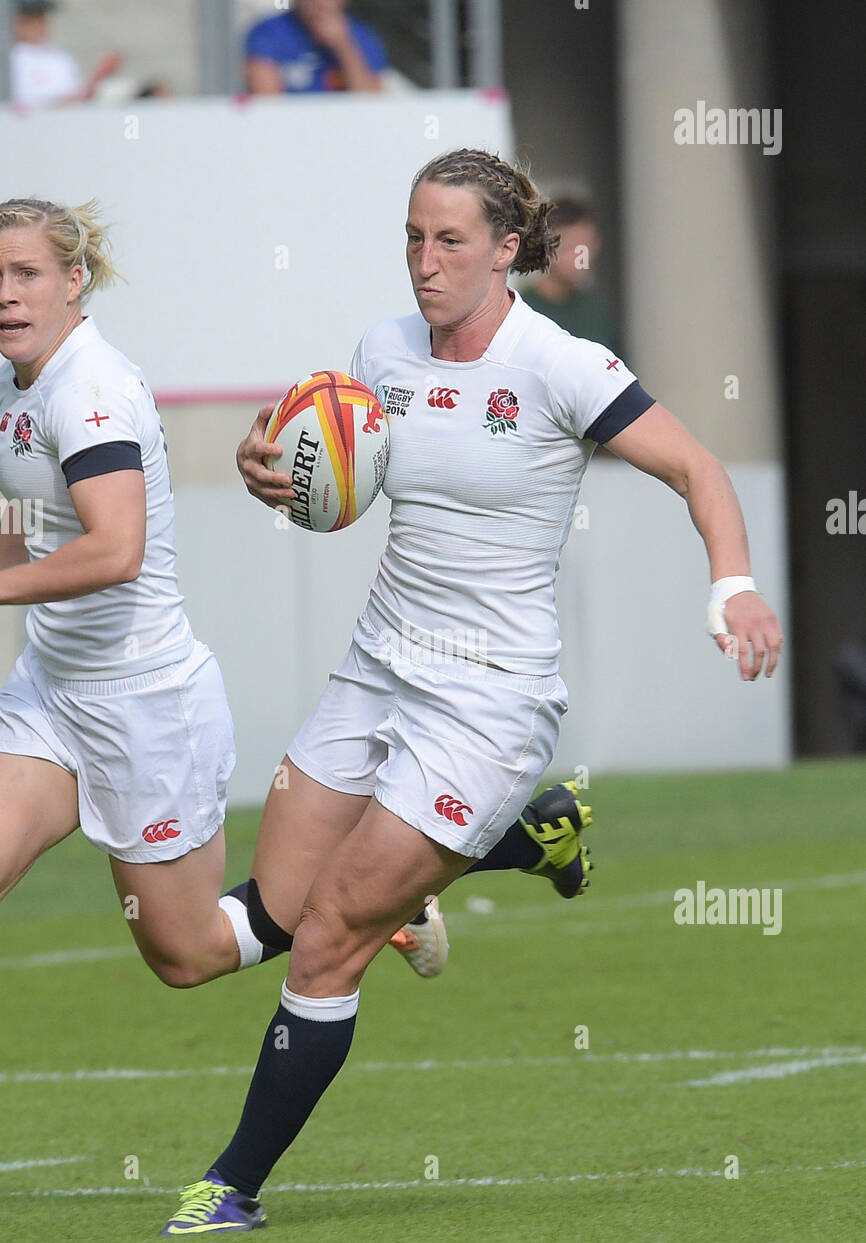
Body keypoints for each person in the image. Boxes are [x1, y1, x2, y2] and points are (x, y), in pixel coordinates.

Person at [160, 147, 783, 1234]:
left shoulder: (559, 366)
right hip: (375, 666)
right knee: (276, 906)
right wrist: (282, 478)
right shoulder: (381, 349)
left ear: (506, 250)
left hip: (488, 700)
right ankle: (529, 839)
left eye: (450, 240)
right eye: (411, 235)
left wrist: (730, 584)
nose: (424, 261)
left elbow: (698, 468)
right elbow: (339, 481)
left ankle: (232, 1184)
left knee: (334, 932)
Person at [0, 196, 585, 997]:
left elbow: (115, 549)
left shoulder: (87, 392)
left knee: (191, 954)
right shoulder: (15, 390)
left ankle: (468, 862)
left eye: (24, 273)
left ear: (73, 281)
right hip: (49, 693)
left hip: (143, 705)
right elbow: (21, 538)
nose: (6, 291)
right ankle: (395, 892)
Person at [522, 195, 623, 359]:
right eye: (568, 248)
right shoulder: (523, 311)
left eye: (585, 246)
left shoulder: (596, 309)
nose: (579, 258)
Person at [244, 0, 387, 95]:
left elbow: (370, 102)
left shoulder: (363, 37)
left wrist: (344, 46)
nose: (319, 3)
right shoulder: (268, 33)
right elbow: (266, 104)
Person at [10, 0, 122, 111]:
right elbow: (29, 107)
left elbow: (76, 101)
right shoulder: (9, 60)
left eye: (42, 18)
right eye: (31, 19)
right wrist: (95, 80)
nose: (40, 24)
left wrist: (97, 79)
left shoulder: (61, 58)